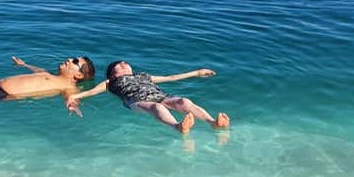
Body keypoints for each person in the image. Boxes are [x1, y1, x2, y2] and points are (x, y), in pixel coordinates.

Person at [65, 60, 230, 134]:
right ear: (113, 74)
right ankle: (177, 127)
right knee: (156, 107)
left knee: (184, 101)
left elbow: (171, 77)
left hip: (161, 95)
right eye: (119, 64)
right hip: (136, 101)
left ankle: (213, 123)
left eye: (125, 63)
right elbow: (92, 92)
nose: (124, 63)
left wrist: (197, 72)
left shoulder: (144, 76)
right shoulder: (110, 82)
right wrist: (73, 97)